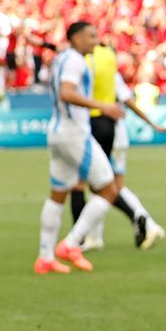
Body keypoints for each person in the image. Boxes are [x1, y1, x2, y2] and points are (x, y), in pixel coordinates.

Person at [35, 22, 134, 274]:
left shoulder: (61, 58)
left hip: (56, 132)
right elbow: (67, 93)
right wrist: (102, 105)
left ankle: (45, 256)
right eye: (91, 36)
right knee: (109, 189)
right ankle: (71, 242)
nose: (95, 40)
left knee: (58, 194)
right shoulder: (76, 61)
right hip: (75, 134)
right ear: (76, 38)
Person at [69, 36, 166, 252]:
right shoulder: (105, 72)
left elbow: (127, 101)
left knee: (102, 185)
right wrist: (152, 124)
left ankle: (144, 221)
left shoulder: (93, 71)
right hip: (115, 133)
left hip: (105, 131)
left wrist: (152, 123)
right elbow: (127, 100)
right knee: (101, 185)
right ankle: (94, 237)